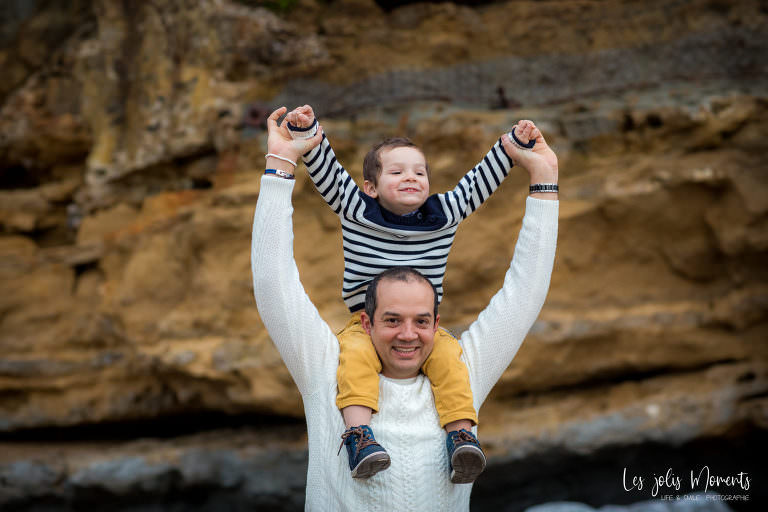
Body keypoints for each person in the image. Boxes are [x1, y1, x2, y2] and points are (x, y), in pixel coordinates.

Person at [251, 106, 558, 510]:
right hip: (357, 343)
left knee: (447, 358)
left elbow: (521, 278)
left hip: (443, 360)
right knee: (358, 356)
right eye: (392, 320)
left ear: (436, 321)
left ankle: (461, 436)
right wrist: (292, 150)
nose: (409, 334)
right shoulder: (328, 368)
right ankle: (358, 436)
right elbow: (276, 274)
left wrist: (529, 164)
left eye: (422, 321)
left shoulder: (466, 366)